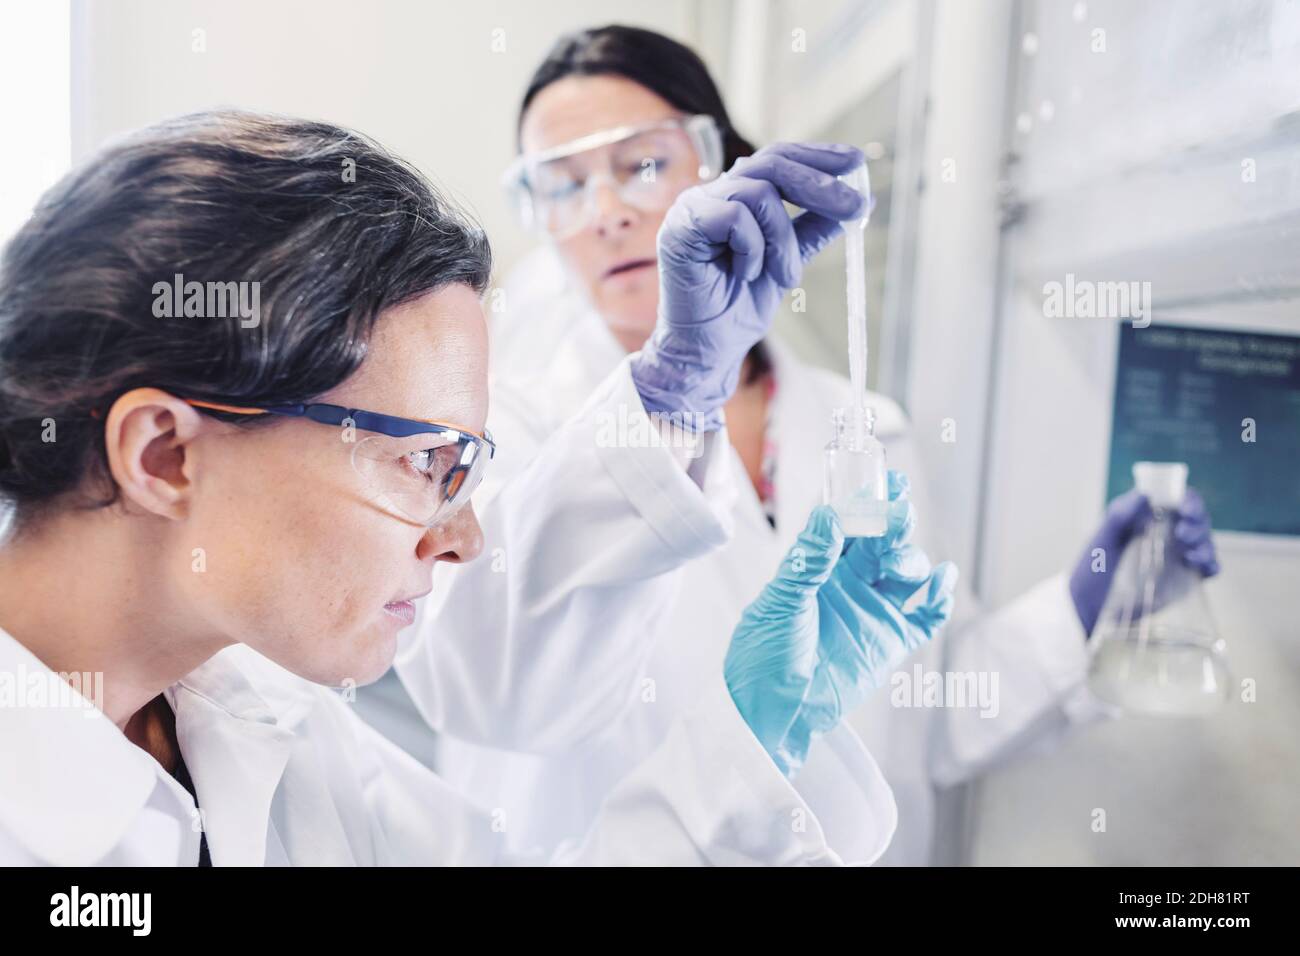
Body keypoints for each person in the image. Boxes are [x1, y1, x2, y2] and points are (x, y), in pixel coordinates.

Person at [0, 109, 950, 865]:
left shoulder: (254, 723)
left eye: (466, 468)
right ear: (166, 454)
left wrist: (753, 744)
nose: (464, 540)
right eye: (424, 462)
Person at [395, 25, 1221, 865]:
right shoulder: (495, 430)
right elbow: (485, 686)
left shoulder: (865, 426)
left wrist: (1092, 605)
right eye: (562, 185)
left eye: (642, 165)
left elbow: (916, 715)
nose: (605, 212)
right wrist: (674, 389)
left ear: (725, 174)